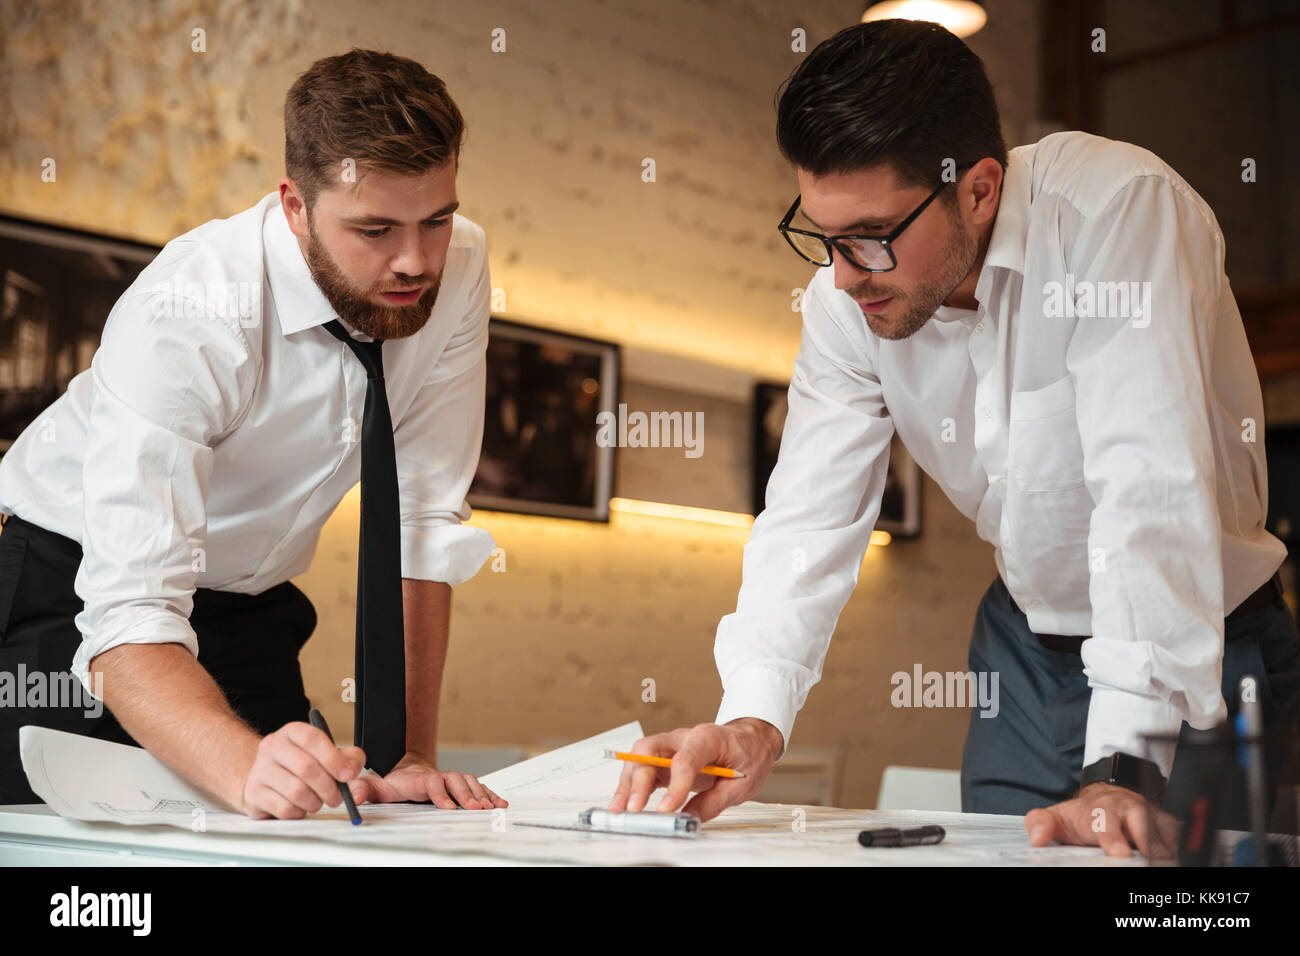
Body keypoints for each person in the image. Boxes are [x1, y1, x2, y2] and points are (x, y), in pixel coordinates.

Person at [609, 19, 1300, 857]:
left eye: (869, 236)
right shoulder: (846, 296)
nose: (840, 274)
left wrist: (1124, 763)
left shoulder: (1117, 214)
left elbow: (1148, 494)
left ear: (978, 189)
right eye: (823, 237)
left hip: (1203, 645)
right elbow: (807, 514)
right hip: (1021, 647)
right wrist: (750, 719)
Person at [0, 49, 507, 819]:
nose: (415, 260)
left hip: (250, 604)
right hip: (69, 581)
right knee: (56, 842)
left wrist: (409, 754)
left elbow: (423, 522)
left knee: (311, 825)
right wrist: (240, 767)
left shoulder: (458, 265)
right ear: (294, 205)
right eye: (374, 228)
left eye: (434, 219)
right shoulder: (191, 311)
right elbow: (129, 610)